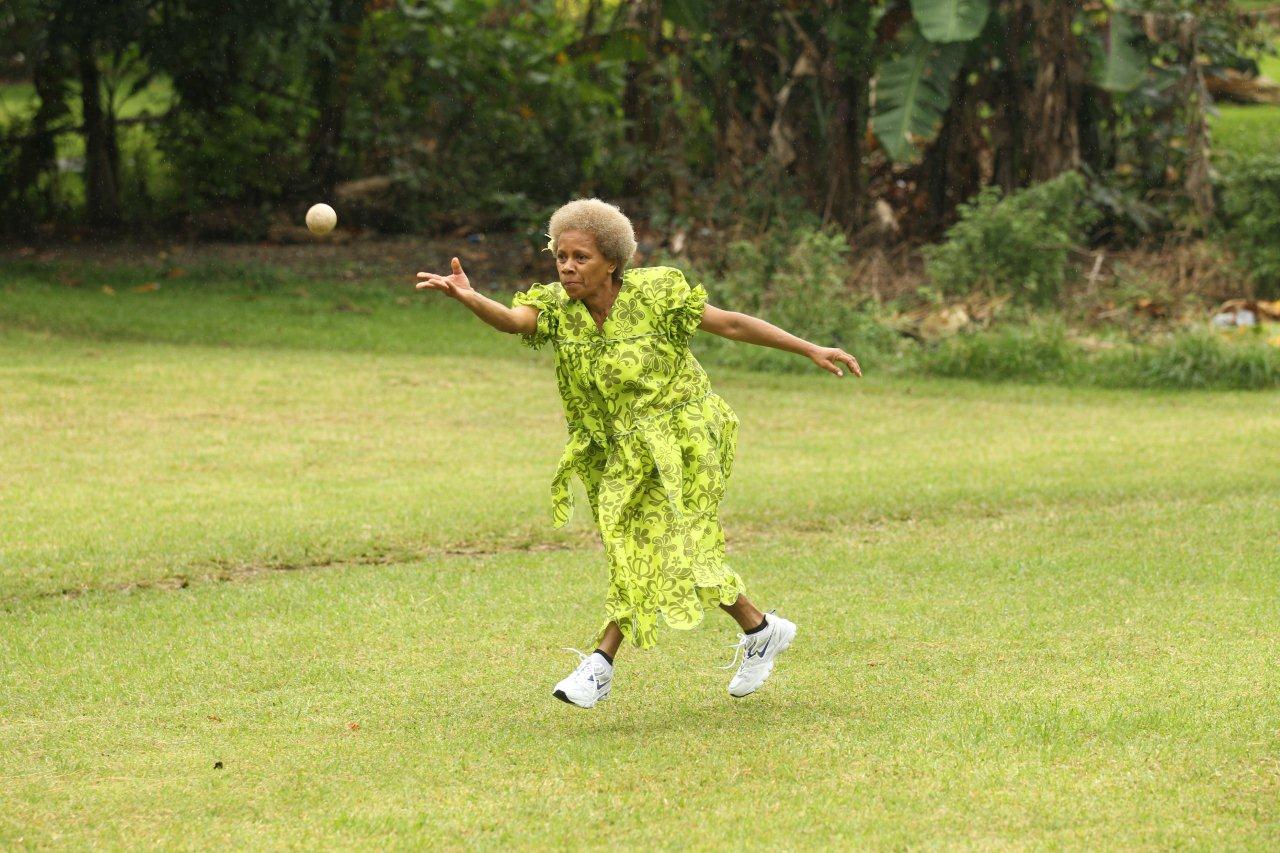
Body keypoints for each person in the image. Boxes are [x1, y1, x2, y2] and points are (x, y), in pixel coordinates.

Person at [415, 198, 860, 708]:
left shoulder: (657, 294)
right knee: (653, 547)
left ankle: (600, 664)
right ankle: (760, 628)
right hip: (617, 449)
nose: (567, 266)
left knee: (648, 543)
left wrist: (809, 348)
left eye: (580, 257)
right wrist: (469, 297)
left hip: (684, 433)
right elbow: (514, 321)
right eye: (560, 255)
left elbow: (732, 325)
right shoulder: (559, 308)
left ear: (612, 261)